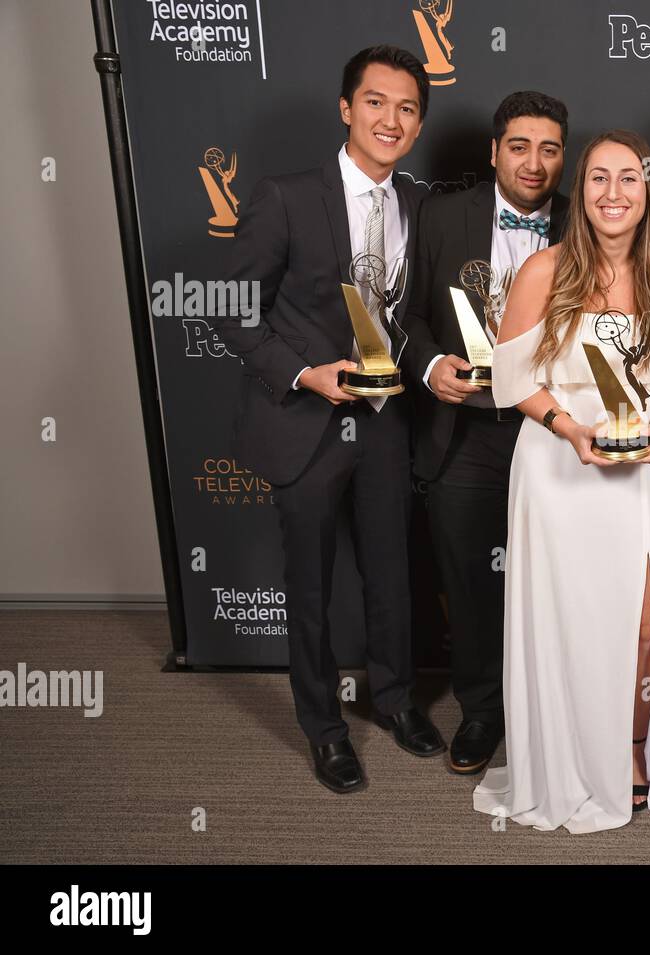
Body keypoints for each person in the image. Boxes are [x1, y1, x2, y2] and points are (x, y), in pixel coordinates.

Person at [216, 45, 444, 793]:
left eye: (408, 108)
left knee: (391, 575)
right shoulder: (285, 196)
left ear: (417, 125)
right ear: (347, 109)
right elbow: (236, 310)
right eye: (376, 102)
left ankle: (398, 699)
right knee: (309, 587)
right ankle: (323, 727)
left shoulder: (417, 202)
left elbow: (407, 315)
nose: (391, 118)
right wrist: (304, 371)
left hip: (383, 420)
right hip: (304, 421)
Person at [472, 130, 650, 832]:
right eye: (598, 178)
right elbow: (511, 382)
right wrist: (569, 426)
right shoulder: (546, 269)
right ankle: (564, 758)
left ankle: (630, 751)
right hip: (558, 468)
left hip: (641, 476)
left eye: (628, 178)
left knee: (643, 624)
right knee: (566, 617)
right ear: (583, 190)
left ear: (648, 190)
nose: (611, 193)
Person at [403, 91, 569, 775]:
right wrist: (430, 363)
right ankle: (481, 711)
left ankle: (555, 710)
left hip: (555, 430)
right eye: (520, 146)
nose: (535, 162)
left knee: (560, 578)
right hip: (464, 431)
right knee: (470, 582)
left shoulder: (589, 221)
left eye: (551, 149)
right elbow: (406, 315)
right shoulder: (441, 215)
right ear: (494, 151)